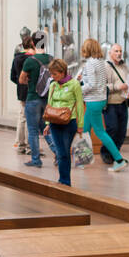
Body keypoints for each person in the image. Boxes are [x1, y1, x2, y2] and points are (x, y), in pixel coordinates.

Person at [76, 39, 127, 171]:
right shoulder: (100, 62)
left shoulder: (90, 64)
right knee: (85, 129)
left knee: (100, 132)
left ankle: (119, 159)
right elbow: (98, 83)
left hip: (93, 101)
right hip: (99, 99)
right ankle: (83, 159)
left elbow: (91, 85)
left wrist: (77, 90)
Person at [41, 58, 85, 187]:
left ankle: (66, 181)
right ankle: (63, 180)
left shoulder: (74, 85)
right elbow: (50, 104)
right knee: (60, 152)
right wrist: (48, 124)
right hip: (55, 122)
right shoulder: (53, 85)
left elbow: (80, 105)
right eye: (51, 74)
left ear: (63, 72)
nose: (52, 76)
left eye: (55, 74)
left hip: (69, 123)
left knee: (65, 151)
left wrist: (80, 125)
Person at [18, 30, 52, 168]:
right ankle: (57, 153)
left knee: (32, 130)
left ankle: (36, 159)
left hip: (33, 97)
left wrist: (32, 83)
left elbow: (21, 79)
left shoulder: (29, 61)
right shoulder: (51, 59)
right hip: (47, 98)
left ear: (32, 43)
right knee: (46, 128)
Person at [103, 43, 129, 164]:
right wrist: (118, 86)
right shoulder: (106, 66)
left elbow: (128, 79)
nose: (119, 54)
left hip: (123, 102)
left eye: (120, 51)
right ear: (110, 53)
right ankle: (106, 153)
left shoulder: (124, 66)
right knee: (112, 129)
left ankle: (116, 154)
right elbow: (102, 86)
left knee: (122, 131)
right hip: (111, 103)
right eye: (116, 51)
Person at [10, 36, 36, 153]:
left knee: (21, 117)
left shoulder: (16, 58)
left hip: (21, 91)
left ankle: (21, 144)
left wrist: (20, 84)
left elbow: (12, 76)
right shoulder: (32, 59)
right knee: (30, 118)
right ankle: (30, 146)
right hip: (31, 90)